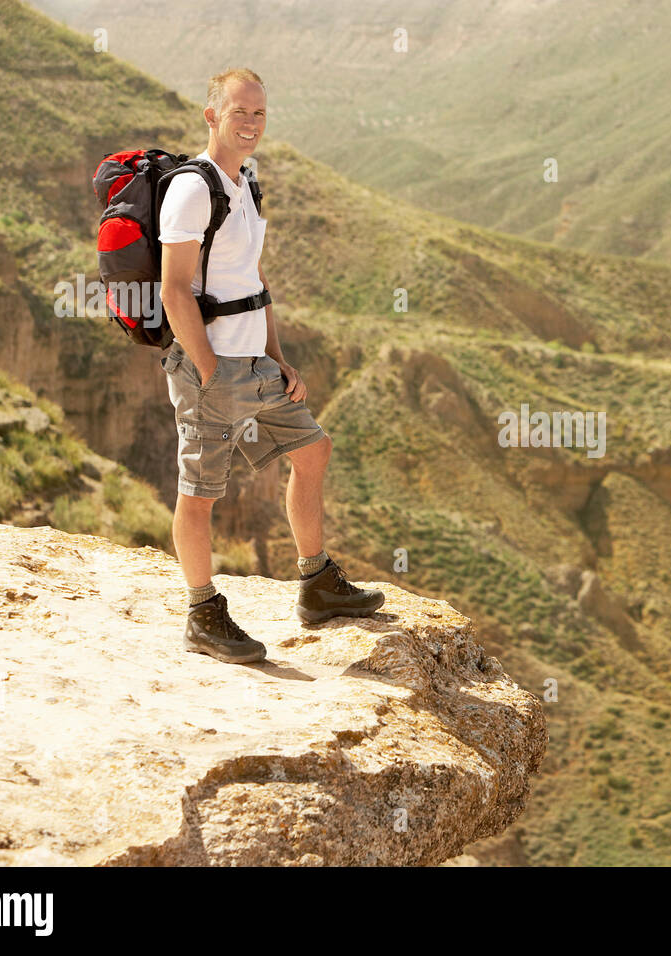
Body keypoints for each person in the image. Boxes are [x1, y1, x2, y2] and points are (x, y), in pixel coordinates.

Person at [158, 67, 383, 665]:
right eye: (240, 112)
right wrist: (208, 371)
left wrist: (278, 360)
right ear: (212, 116)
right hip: (212, 370)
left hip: (256, 364)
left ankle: (316, 585)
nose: (252, 123)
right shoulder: (191, 189)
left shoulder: (245, 184)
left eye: (259, 113)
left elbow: (254, 282)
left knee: (313, 450)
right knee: (201, 492)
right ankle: (202, 613)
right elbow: (175, 291)